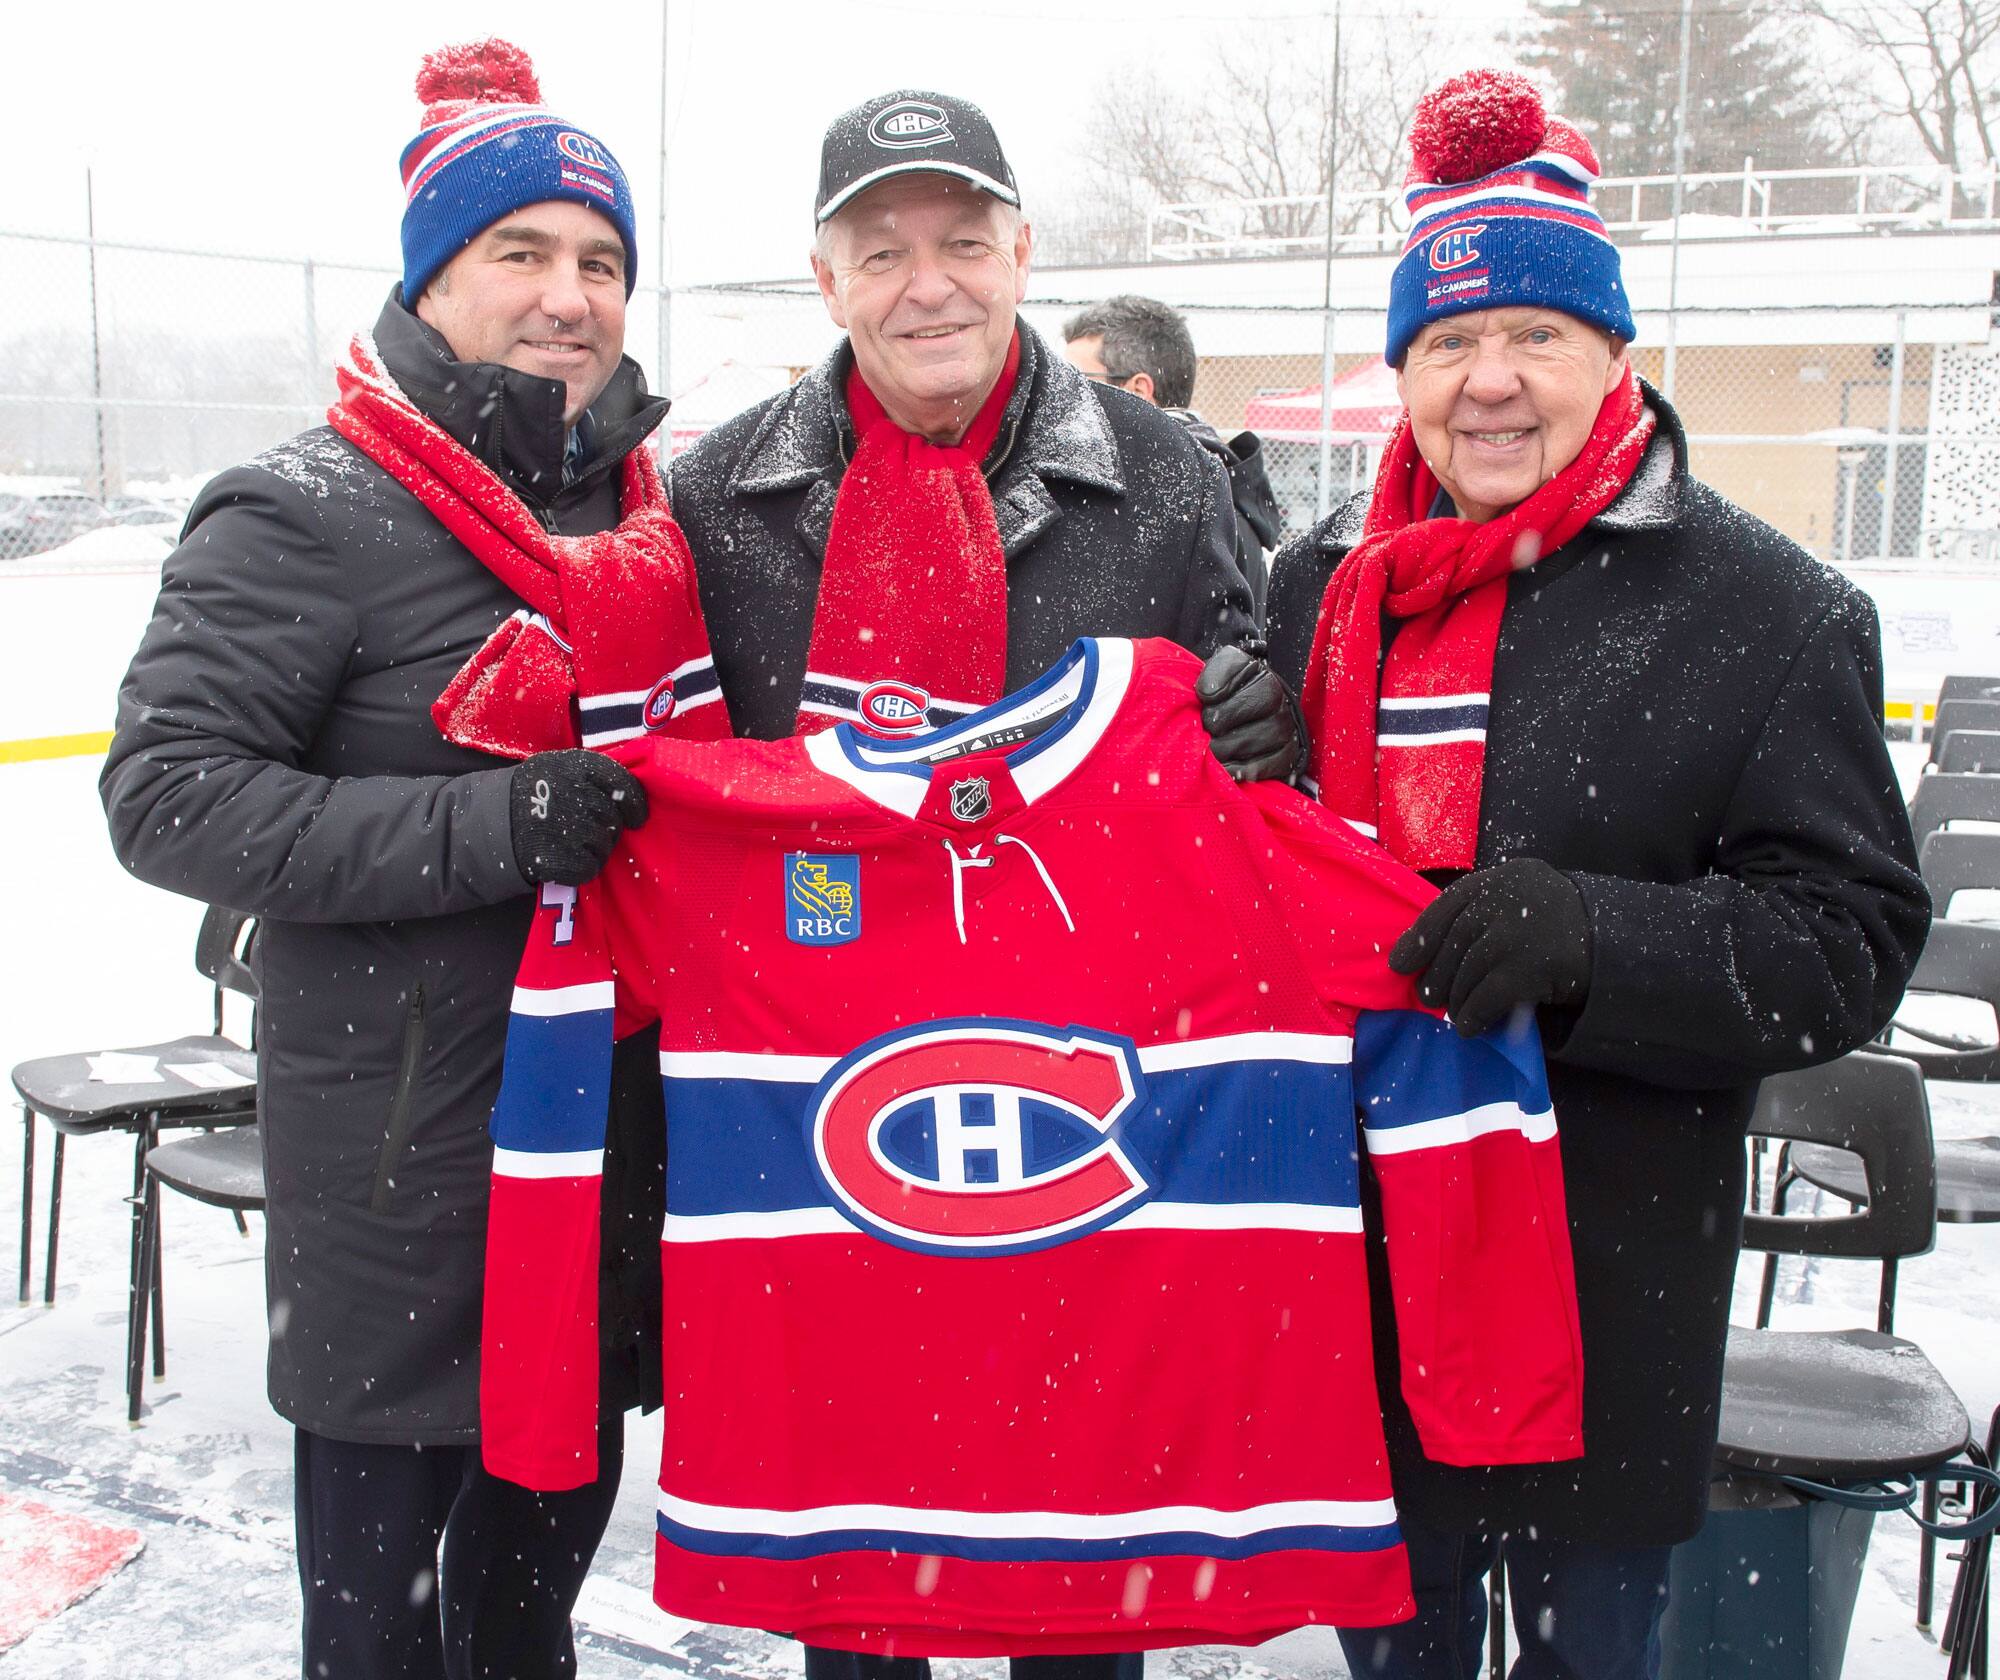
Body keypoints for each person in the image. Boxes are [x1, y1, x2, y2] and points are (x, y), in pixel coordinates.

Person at [1262, 69, 1929, 1680]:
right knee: (1392, 1658)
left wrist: (1588, 939)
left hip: (1602, 1274)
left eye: (1536, 339)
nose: (1488, 384)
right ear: (1402, 369)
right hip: (1350, 1265)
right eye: (1445, 343)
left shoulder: (1770, 611)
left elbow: (1848, 943)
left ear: (1615, 354)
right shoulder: (1320, 592)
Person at [662, 88, 1303, 1680]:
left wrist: (1256, 720)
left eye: (962, 241)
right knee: (855, 1552)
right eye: (882, 251)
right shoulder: (721, 493)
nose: (925, 283)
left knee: (1079, 1562)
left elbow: (1239, 760)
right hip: (826, 1091)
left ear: (1026, 253)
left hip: (1087, 1089)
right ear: (825, 280)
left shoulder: (1165, 475)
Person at [100, 39, 685, 1680]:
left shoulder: (643, 523)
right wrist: (491, 825)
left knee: (527, 1622)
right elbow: (168, 798)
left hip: (589, 1166)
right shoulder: (305, 507)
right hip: (400, 1186)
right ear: (432, 279)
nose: (567, 295)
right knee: (384, 1639)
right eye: (521, 253)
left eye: (601, 262)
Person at [1062, 294, 1284, 619]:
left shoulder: (1181, 500)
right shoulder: (1205, 484)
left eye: (1079, 382)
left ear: (1137, 391)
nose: (1065, 396)